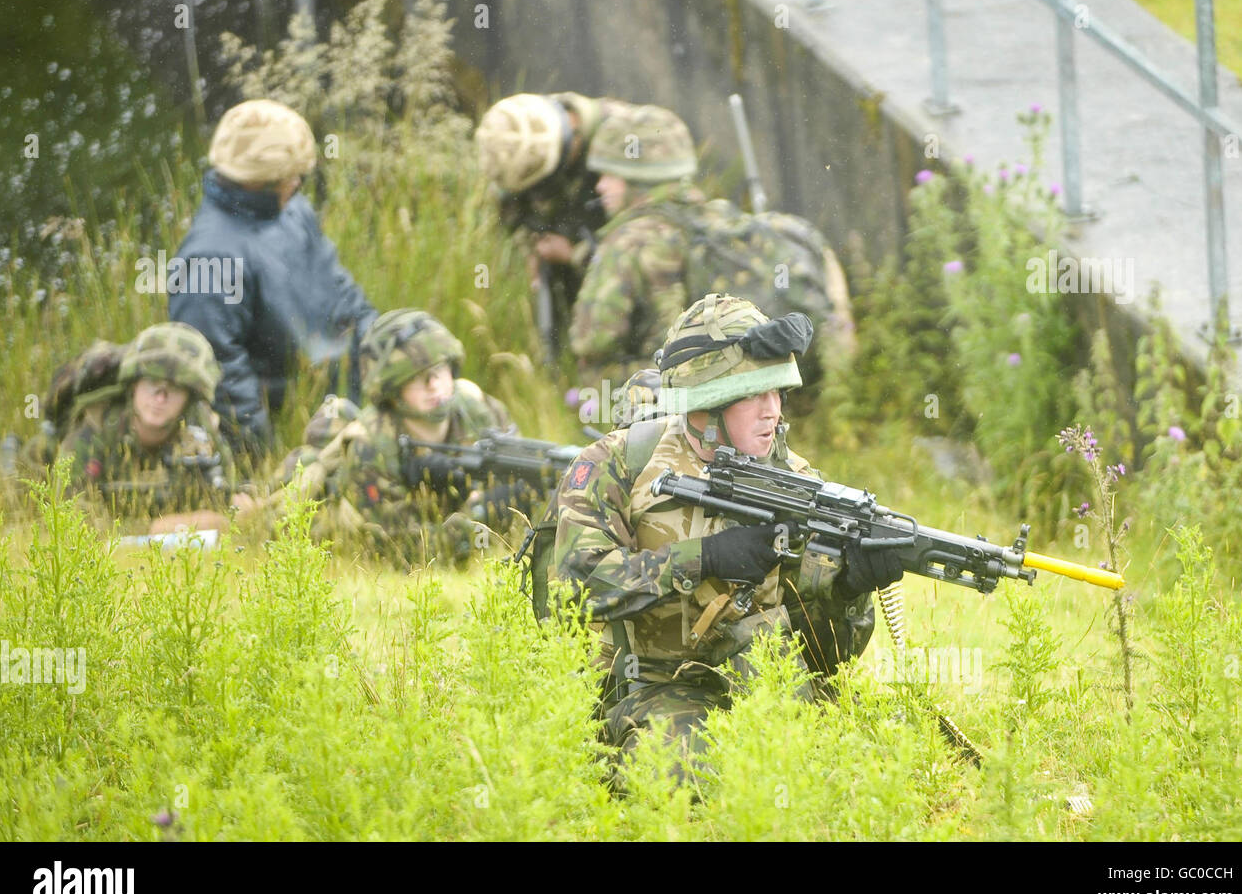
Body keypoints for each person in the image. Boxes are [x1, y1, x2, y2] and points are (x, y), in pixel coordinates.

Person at [551, 294, 900, 785]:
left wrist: (848, 593)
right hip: (656, 685)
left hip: (769, 682)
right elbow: (576, 586)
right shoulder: (621, 463)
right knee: (685, 776)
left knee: (868, 771)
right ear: (705, 401)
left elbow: (825, 657)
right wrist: (704, 559)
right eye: (754, 394)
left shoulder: (797, 482)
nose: (772, 411)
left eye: (778, 393)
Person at [569, 105, 856, 394]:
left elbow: (592, 342)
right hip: (775, 381)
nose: (601, 186)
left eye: (610, 175)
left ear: (638, 179)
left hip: (688, 389)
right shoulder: (720, 216)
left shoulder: (627, 242)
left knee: (593, 378)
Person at [169, 98, 377, 460]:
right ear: (259, 181)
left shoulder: (291, 209)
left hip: (336, 389)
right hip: (282, 418)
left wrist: (382, 347)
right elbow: (222, 376)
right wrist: (262, 456)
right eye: (290, 176)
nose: (298, 182)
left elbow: (340, 289)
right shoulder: (208, 257)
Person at [322, 309, 530, 566]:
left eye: (439, 370)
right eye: (419, 378)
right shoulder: (371, 444)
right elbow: (399, 553)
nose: (434, 385)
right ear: (393, 389)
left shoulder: (478, 408)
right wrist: (477, 516)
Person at [474, 92, 636, 352]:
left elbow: (643, 261)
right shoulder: (513, 142)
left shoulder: (626, 137)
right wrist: (530, 250)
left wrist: (575, 254)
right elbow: (511, 216)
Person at [57, 322, 239, 535]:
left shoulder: (201, 434)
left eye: (175, 387)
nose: (160, 398)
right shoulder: (95, 427)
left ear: (190, 399)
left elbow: (224, 505)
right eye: (152, 382)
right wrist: (158, 528)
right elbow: (71, 523)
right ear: (134, 385)